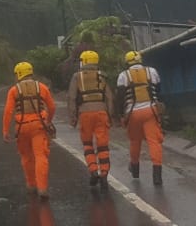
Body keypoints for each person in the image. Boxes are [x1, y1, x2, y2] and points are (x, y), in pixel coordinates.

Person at [3, 61, 57, 198]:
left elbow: (8, 112)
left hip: (22, 128)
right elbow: (52, 107)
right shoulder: (42, 87)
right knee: (41, 156)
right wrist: (49, 121)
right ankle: (42, 189)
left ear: (19, 74)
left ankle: (31, 185)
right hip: (39, 126)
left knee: (26, 157)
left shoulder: (14, 90)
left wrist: (5, 130)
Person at [117, 50, 165, 185]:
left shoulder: (123, 75)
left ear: (127, 62)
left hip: (132, 113)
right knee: (154, 142)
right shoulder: (152, 71)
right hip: (151, 110)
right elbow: (159, 91)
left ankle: (135, 168)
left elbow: (120, 98)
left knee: (134, 141)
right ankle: (157, 176)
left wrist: (120, 115)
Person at [68, 49, 114, 189]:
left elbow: (72, 97)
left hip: (85, 114)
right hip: (101, 113)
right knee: (103, 145)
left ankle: (93, 170)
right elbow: (110, 98)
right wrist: (110, 115)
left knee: (88, 144)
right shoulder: (102, 76)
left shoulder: (77, 77)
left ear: (84, 62)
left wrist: (73, 117)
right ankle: (104, 173)